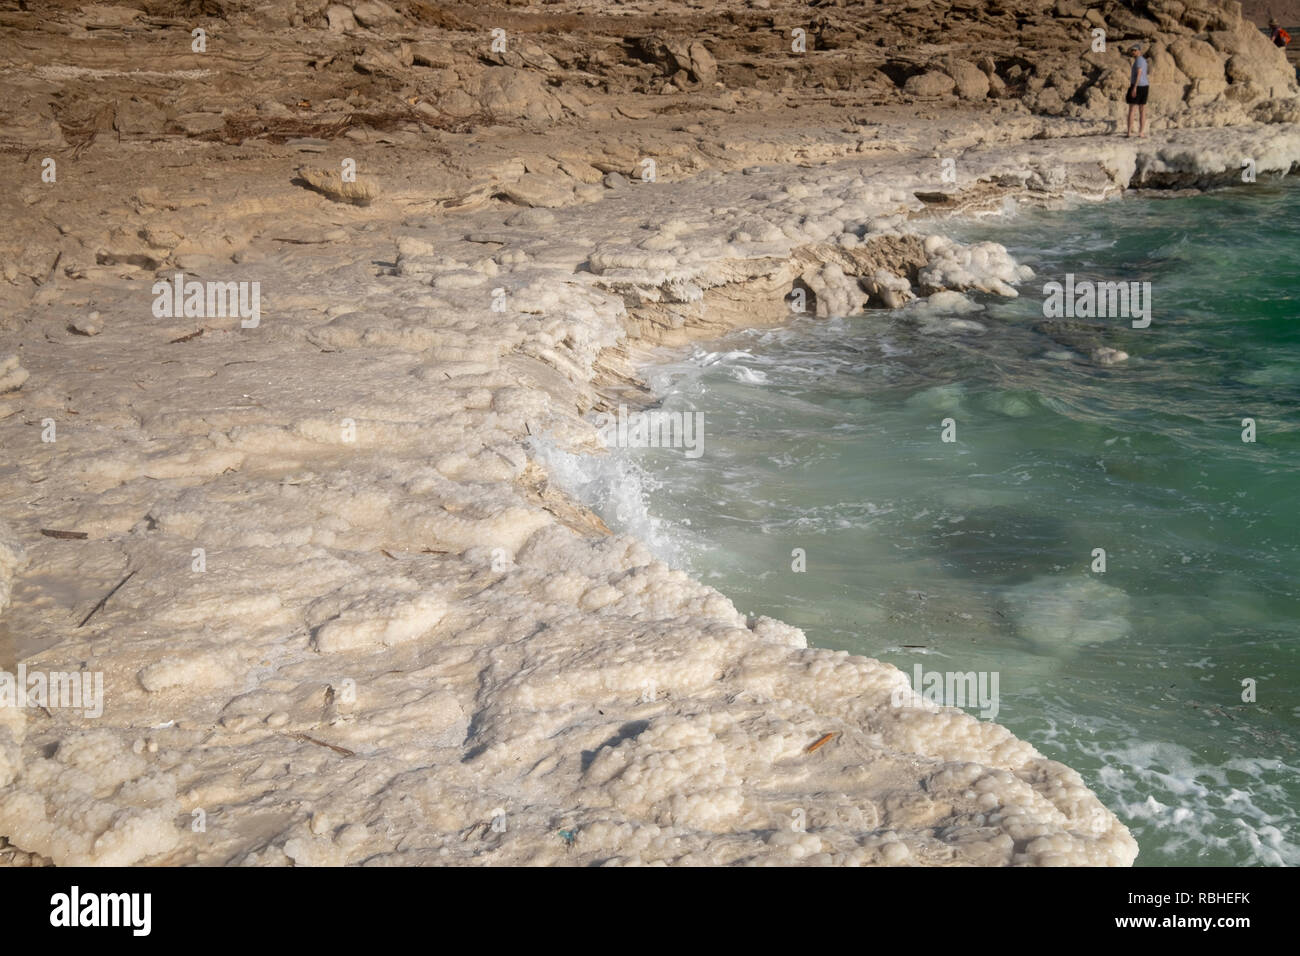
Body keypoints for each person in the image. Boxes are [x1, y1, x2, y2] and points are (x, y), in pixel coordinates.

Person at [1125, 44, 1149, 138]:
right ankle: (1141, 133)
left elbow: (1139, 73)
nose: (1133, 52)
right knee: (1142, 110)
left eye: (1134, 50)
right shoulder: (1143, 60)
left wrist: (1134, 87)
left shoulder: (1139, 60)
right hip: (1145, 85)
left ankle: (1129, 133)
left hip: (1138, 86)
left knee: (1132, 109)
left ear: (1139, 51)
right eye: (1132, 50)